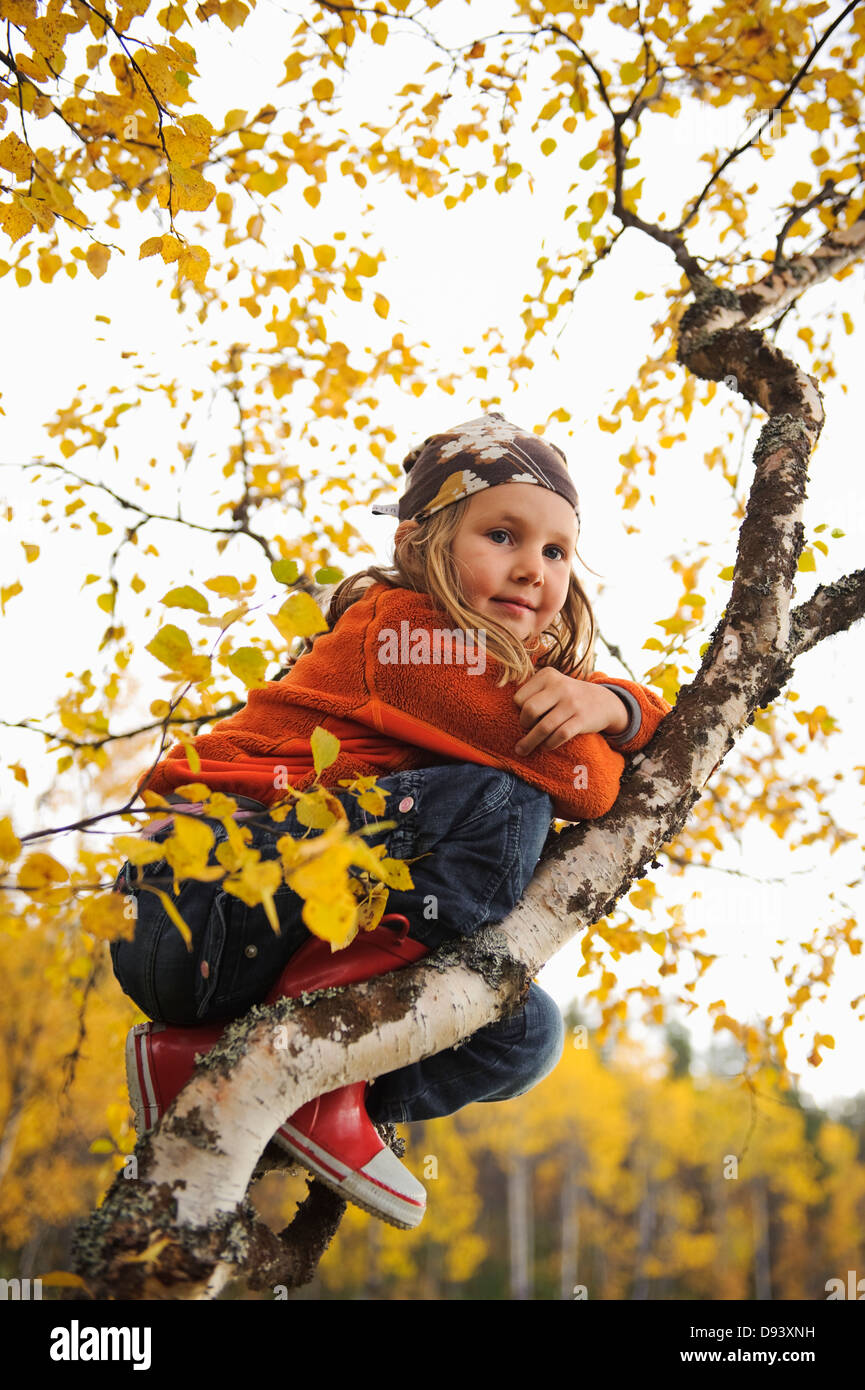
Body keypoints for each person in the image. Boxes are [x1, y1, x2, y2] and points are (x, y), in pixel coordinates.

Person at [111, 411, 671, 1230]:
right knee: (508, 801)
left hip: (263, 933)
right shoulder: (410, 637)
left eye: (555, 551)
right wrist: (607, 719)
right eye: (503, 536)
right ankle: (312, 1071)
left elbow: (647, 727)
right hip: (205, 889)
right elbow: (584, 781)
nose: (532, 569)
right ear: (422, 545)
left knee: (519, 1030)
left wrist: (612, 701)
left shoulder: (485, 669)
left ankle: (248, 1076)